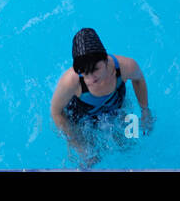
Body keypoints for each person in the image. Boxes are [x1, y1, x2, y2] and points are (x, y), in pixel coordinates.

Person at [50, 28, 150, 164]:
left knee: (129, 147)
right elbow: (56, 112)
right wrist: (81, 148)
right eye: (84, 72)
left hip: (114, 108)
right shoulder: (70, 82)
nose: (91, 78)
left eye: (95, 69)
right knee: (91, 160)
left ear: (106, 60)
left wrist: (145, 110)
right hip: (82, 119)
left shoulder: (126, 66)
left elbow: (138, 79)